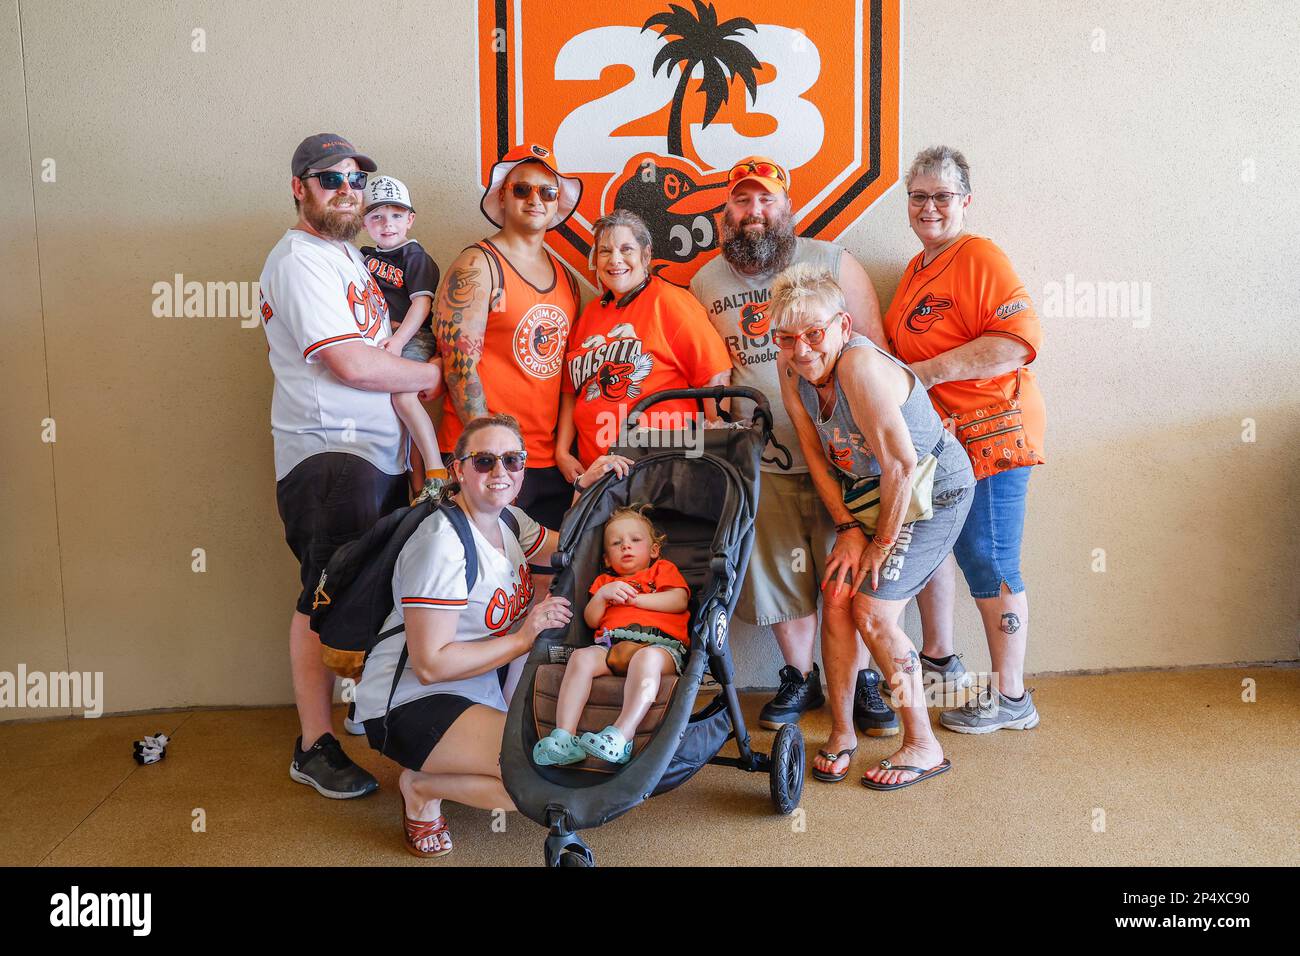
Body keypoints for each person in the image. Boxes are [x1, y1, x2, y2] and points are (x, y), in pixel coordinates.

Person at [353, 413, 633, 856]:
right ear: (458, 469)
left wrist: (586, 488)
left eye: (512, 460)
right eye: (483, 461)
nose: (500, 472)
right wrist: (524, 639)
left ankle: (456, 762)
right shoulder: (441, 544)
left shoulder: (509, 521)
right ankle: (422, 787)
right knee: (539, 781)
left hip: (477, 687)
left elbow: (571, 548)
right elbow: (430, 665)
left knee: (563, 757)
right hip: (412, 702)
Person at [259, 133, 443, 799]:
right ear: (299, 186)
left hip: (374, 453)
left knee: (363, 595)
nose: (347, 189)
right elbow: (353, 362)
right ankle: (313, 744)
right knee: (322, 595)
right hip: (330, 453)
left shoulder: (345, 256)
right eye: (329, 177)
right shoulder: (301, 259)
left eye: (356, 180)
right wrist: (430, 374)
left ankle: (364, 717)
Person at [690, 156, 897, 736]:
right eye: (742, 201)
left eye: (766, 201)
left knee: (851, 569)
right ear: (724, 212)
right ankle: (799, 676)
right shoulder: (704, 282)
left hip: (845, 453)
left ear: (787, 209)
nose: (754, 212)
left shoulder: (833, 261)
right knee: (780, 567)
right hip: (766, 455)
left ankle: (864, 681)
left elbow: (876, 355)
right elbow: (708, 369)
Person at [772, 263, 975, 789]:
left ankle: (923, 745)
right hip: (870, 494)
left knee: (874, 611)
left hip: (932, 490)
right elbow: (815, 452)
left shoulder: (858, 367)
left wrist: (881, 542)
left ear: (841, 325)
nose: (802, 350)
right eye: (787, 337)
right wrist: (846, 526)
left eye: (814, 334)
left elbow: (903, 466)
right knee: (837, 592)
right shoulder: (790, 364)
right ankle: (842, 733)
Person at [883, 146, 1046, 733]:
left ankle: (1012, 696)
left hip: (995, 433)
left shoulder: (978, 256)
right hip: (943, 444)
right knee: (947, 554)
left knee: (991, 557)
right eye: (919, 196)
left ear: (965, 203)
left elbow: (1017, 342)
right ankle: (943, 664)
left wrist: (925, 375)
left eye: (942, 196)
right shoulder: (916, 268)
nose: (930, 207)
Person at [433, 143, 583, 531]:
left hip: (546, 461)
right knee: (483, 582)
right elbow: (459, 366)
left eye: (547, 192)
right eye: (522, 189)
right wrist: (491, 455)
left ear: (556, 204)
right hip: (487, 462)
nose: (535, 199)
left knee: (544, 582)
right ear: (503, 195)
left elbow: (567, 374)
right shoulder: (477, 264)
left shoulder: (567, 278)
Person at [556, 209, 731, 475]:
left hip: (658, 470)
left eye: (626, 249)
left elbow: (715, 374)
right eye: (605, 251)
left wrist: (715, 448)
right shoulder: (590, 315)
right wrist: (562, 452)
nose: (615, 260)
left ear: (645, 254)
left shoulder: (670, 302)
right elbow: (571, 391)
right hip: (596, 473)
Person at [533, 505, 691, 766]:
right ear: (607, 558)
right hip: (610, 645)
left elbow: (679, 600)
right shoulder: (605, 582)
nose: (626, 547)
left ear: (653, 550)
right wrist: (604, 595)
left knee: (646, 660)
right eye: (617, 543)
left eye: (635, 540)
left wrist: (636, 599)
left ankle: (621, 736)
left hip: (659, 645)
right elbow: (592, 619)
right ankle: (565, 737)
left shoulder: (662, 570)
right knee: (581, 659)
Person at [360, 175, 447, 501]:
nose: (387, 224)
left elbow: (422, 304)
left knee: (403, 399)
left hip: (412, 337)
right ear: (363, 221)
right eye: (377, 216)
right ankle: (417, 481)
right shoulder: (363, 256)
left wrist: (397, 342)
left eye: (397, 215)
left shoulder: (415, 256)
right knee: (398, 413)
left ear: (410, 220)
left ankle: (437, 470)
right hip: (383, 339)